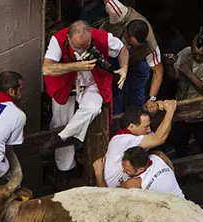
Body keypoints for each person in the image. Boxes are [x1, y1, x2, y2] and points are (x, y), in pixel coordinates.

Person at [43, 20, 129, 187]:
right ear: (69, 38)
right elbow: (47, 69)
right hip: (66, 82)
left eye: (86, 46)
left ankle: (62, 137)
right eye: (78, 48)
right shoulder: (58, 39)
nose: (83, 50)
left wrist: (124, 68)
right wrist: (77, 65)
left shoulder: (101, 37)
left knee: (93, 108)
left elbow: (122, 49)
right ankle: (65, 169)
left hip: (92, 82)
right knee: (61, 121)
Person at [94, 100, 177, 188]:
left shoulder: (136, 136)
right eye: (146, 127)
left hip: (122, 189)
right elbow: (158, 138)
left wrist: (157, 107)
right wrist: (170, 111)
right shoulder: (122, 140)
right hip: (106, 190)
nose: (149, 130)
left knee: (159, 155)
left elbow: (162, 134)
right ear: (131, 126)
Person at [102, 0, 163, 114]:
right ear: (125, 33)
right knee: (115, 94)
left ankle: (136, 122)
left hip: (138, 61)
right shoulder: (118, 12)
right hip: (113, 56)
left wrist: (152, 99)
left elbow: (158, 72)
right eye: (131, 44)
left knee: (137, 98)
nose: (132, 47)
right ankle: (115, 123)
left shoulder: (151, 47)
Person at [172, 35, 203, 157]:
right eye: (195, 54)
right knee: (180, 142)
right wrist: (169, 65)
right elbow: (173, 76)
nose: (198, 57)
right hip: (181, 105)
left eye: (201, 55)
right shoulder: (185, 53)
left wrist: (189, 74)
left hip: (200, 110)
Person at [120, 146, 185, 198]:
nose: (124, 170)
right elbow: (171, 168)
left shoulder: (135, 183)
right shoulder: (159, 156)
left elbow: (117, 191)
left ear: (141, 169)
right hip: (182, 199)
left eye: (128, 170)